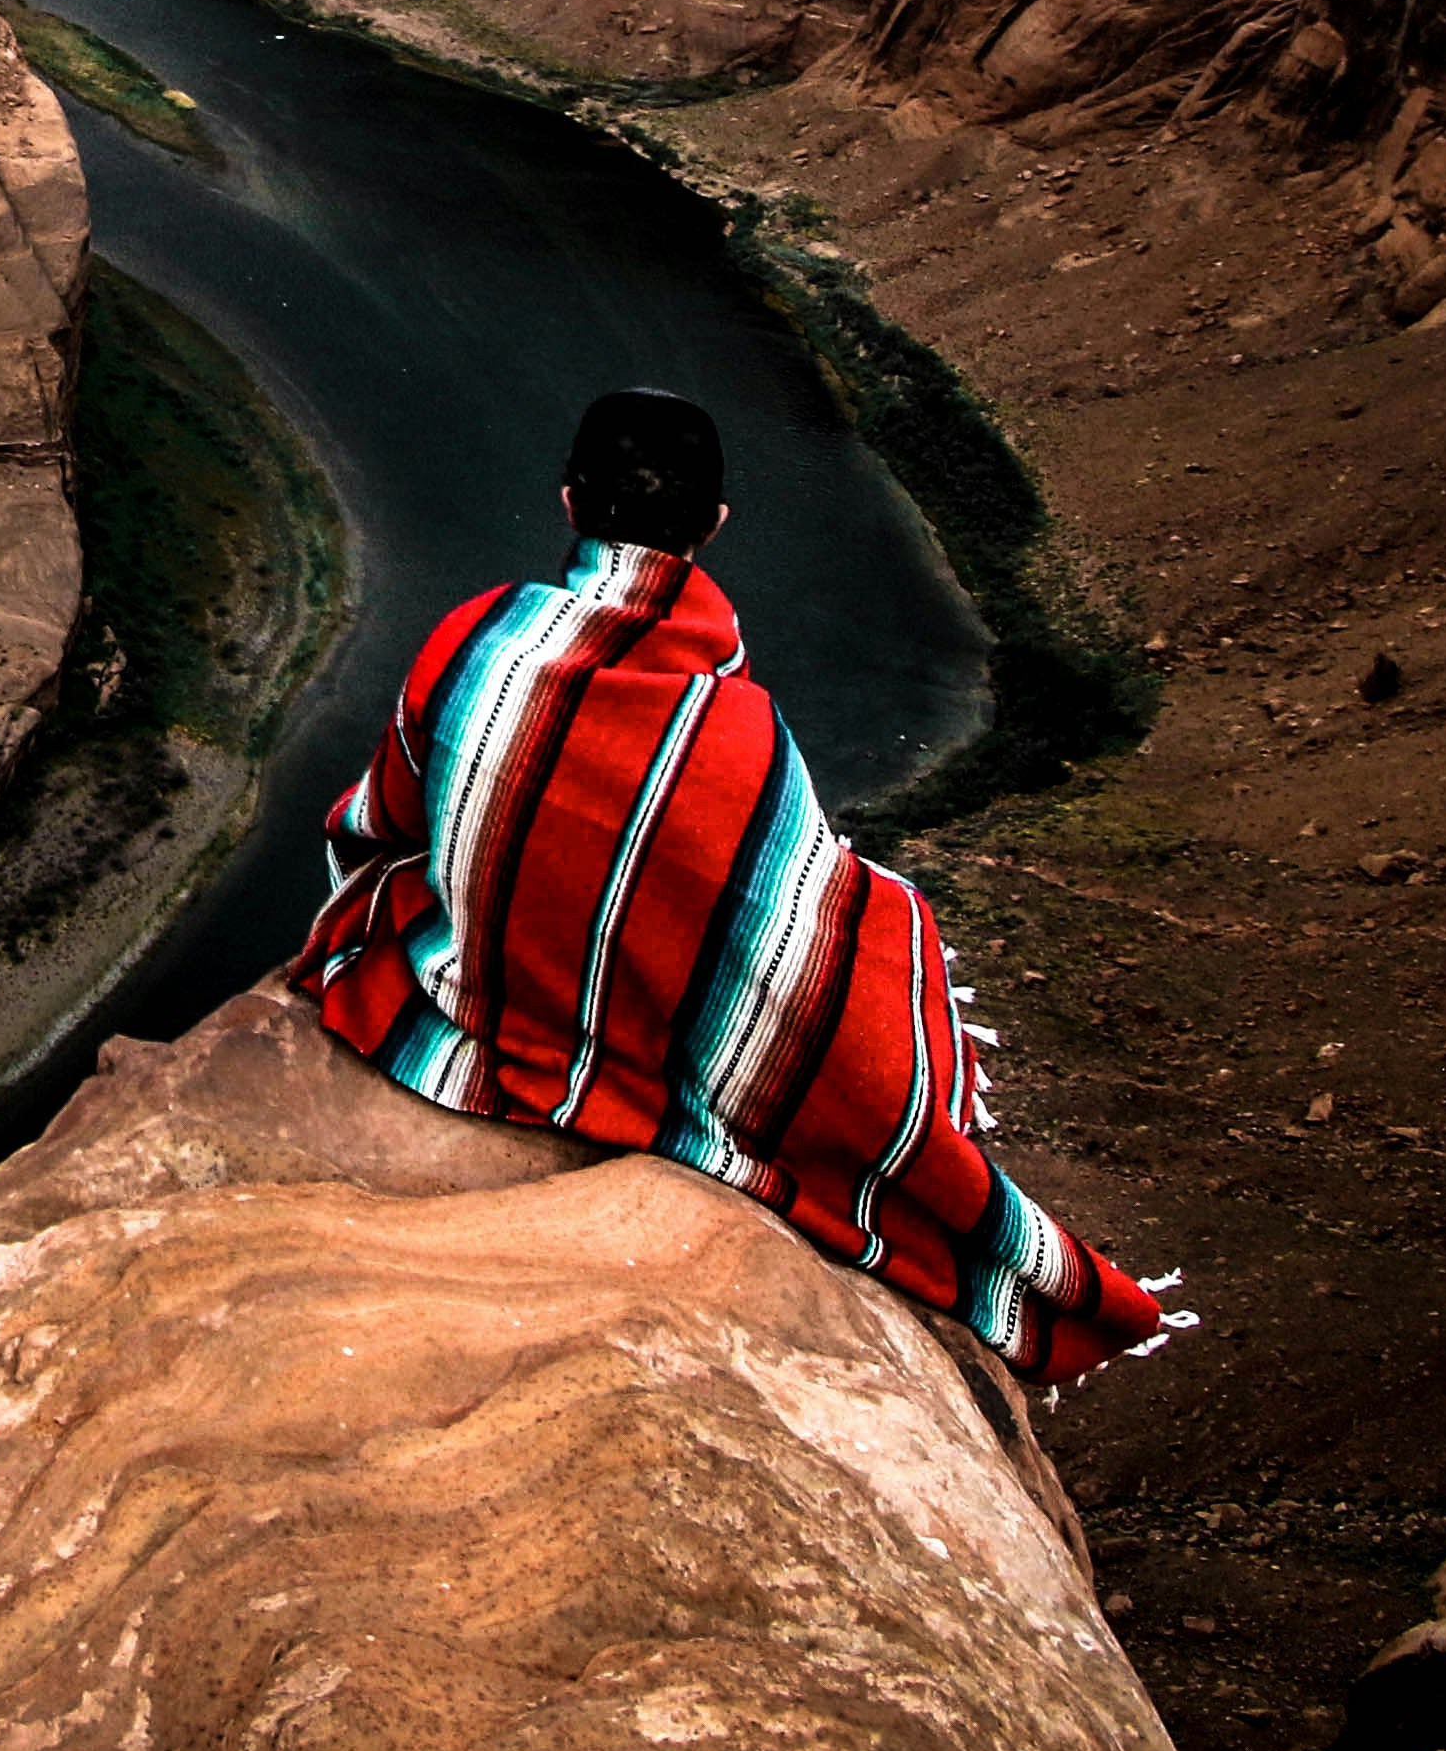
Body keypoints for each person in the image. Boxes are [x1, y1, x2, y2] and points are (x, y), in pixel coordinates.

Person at [292, 387, 1175, 1384]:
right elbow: (781, 938)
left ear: (571, 501)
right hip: (625, 1039)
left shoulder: (475, 637)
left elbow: (385, 820)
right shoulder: (737, 734)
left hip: (462, 998)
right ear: (712, 527)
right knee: (872, 916)